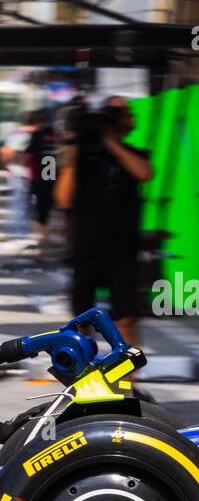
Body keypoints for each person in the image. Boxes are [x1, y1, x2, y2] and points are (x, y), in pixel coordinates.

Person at [60, 97, 153, 346]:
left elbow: (144, 173)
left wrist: (112, 144)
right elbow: (63, 200)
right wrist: (73, 154)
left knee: (126, 319)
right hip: (85, 248)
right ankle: (82, 377)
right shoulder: (78, 159)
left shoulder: (133, 153)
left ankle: (129, 379)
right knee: (80, 322)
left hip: (122, 249)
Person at [24, 110, 58, 251]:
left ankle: (43, 231)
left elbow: (30, 154)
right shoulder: (56, 134)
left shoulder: (37, 134)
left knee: (41, 201)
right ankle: (47, 228)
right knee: (48, 200)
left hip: (42, 168)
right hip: (51, 166)